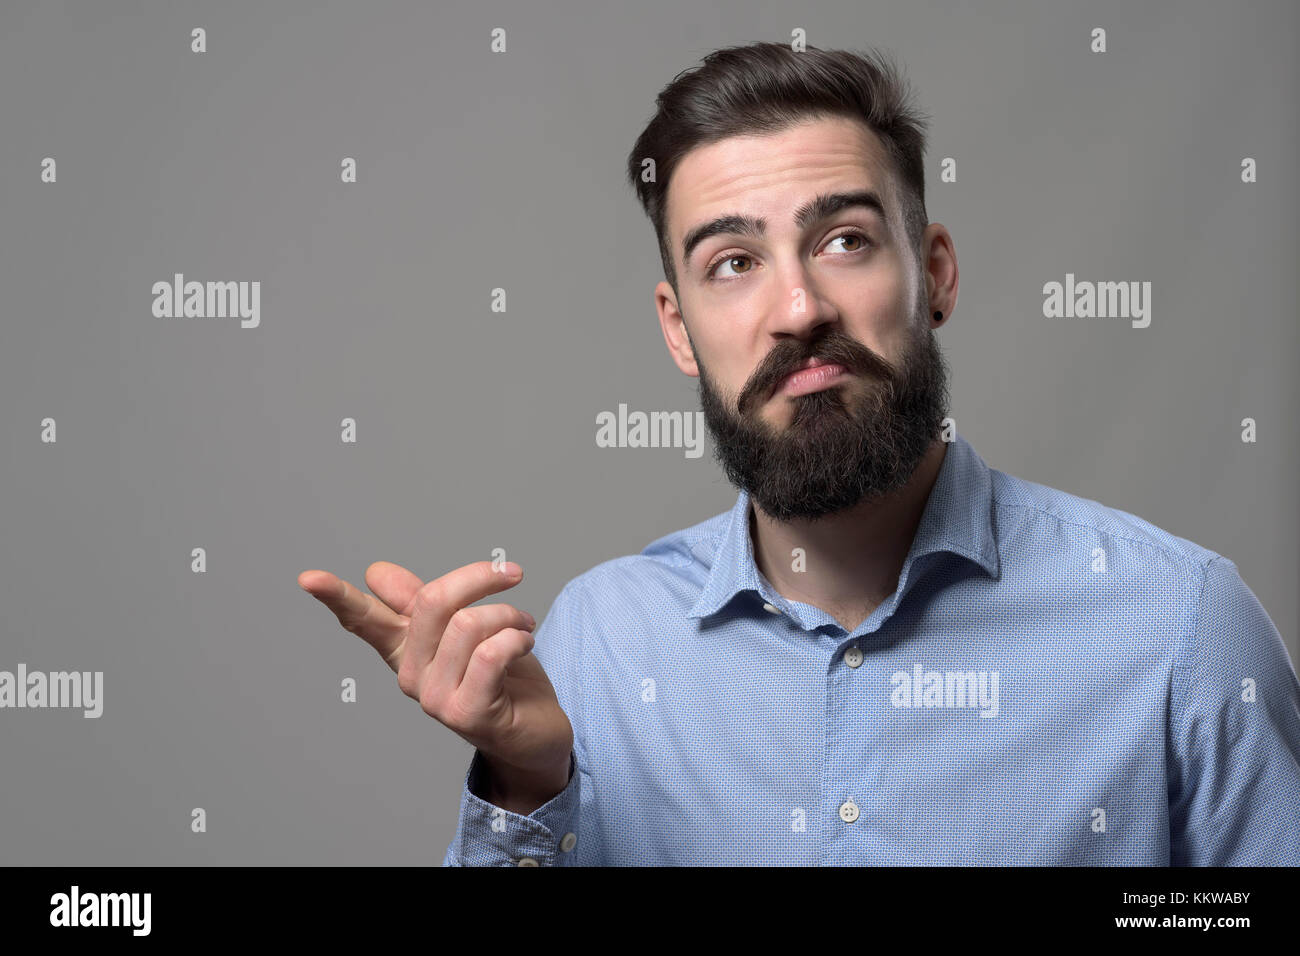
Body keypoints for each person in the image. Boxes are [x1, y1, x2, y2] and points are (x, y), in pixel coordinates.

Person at [298, 42, 1300, 865]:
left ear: (936, 273)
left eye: (845, 240)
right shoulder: (595, 649)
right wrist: (529, 789)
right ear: (679, 329)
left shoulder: (1180, 631)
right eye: (731, 263)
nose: (796, 309)